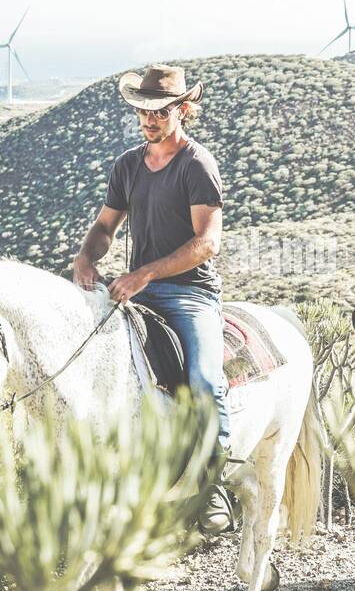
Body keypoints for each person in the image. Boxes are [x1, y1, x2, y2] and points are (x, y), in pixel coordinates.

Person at [72, 64, 236, 534]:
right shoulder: (128, 165)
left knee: (205, 382)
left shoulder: (197, 165)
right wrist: (86, 259)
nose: (149, 120)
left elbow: (208, 242)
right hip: (133, 290)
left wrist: (145, 272)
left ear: (183, 109)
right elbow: (105, 227)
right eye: (142, 111)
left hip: (189, 293)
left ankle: (213, 483)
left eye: (160, 111)